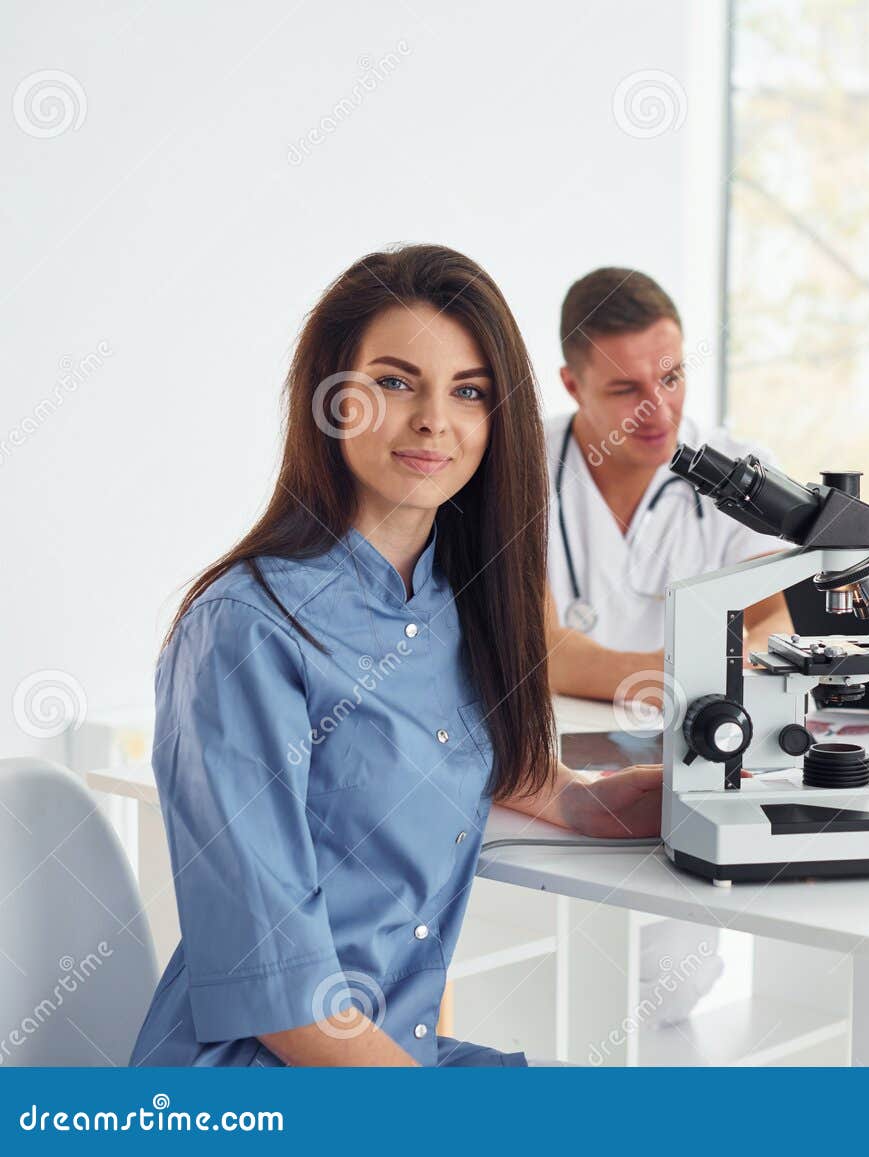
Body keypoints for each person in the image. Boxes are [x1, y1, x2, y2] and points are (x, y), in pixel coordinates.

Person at [131, 245, 661, 1066]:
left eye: (469, 391)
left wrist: (600, 805)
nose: (433, 421)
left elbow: (456, 749)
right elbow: (284, 997)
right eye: (394, 380)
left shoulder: (463, 598)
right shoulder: (244, 629)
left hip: (395, 1053)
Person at [544, 267, 790, 702]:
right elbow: (544, 655)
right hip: (555, 739)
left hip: (692, 724)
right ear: (572, 385)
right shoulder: (518, 467)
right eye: (626, 389)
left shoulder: (741, 472)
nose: (658, 412)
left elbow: (778, 617)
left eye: (671, 379)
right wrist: (685, 673)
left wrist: (748, 661)